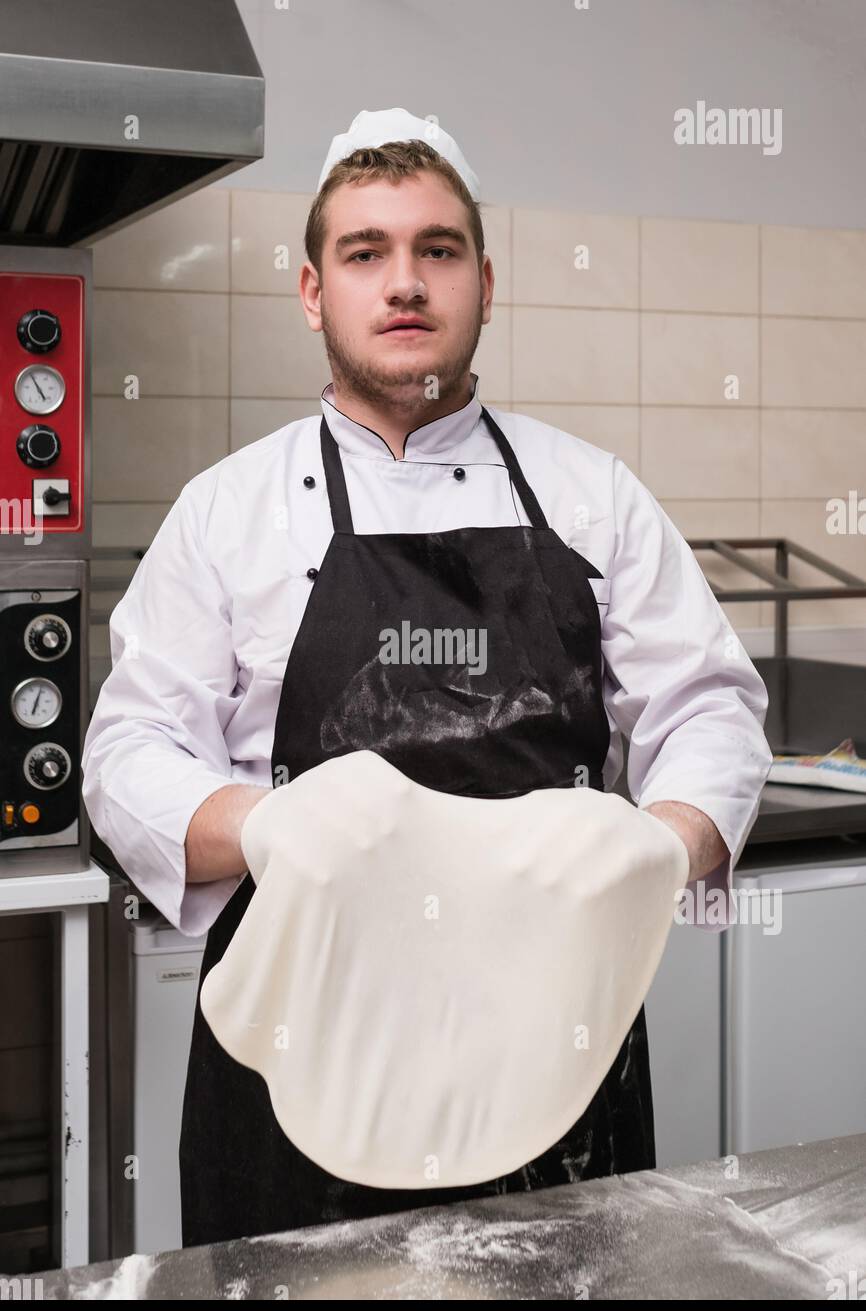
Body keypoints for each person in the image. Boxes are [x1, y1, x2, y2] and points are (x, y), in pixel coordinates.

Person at [81, 108, 774, 1248]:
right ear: (313, 291)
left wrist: (666, 838)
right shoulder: (226, 514)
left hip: (557, 1039)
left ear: (484, 284)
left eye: (435, 250)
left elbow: (707, 709)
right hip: (303, 1041)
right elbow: (126, 755)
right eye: (365, 253)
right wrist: (268, 827)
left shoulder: (590, 493)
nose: (403, 284)